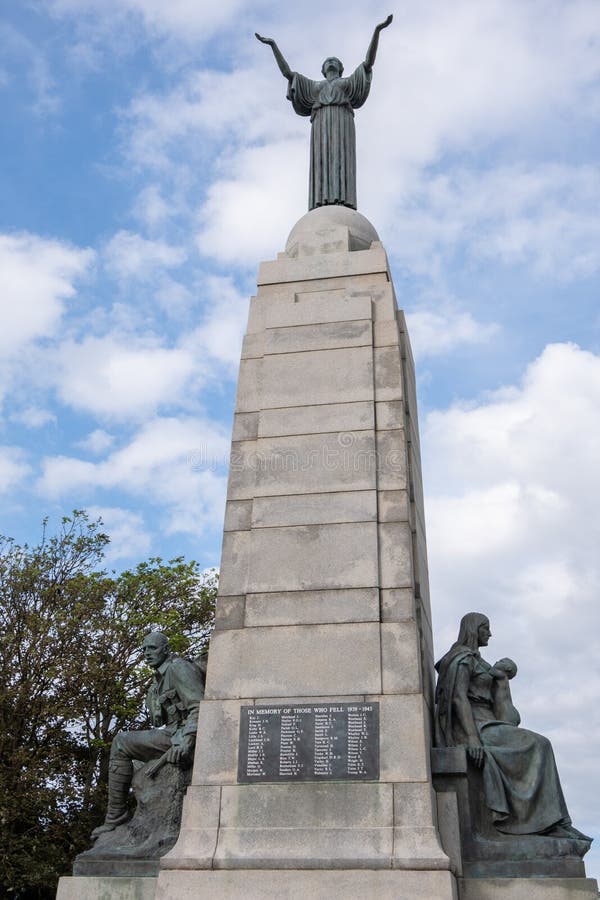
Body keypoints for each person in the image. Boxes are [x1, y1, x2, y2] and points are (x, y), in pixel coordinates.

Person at [434, 612, 590, 840]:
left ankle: (553, 822)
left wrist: (502, 681)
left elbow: (508, 716)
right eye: (485, 628)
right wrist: (472, 738)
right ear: (473, 630)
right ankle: (544, 823)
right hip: (477, 726)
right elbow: (458, 698)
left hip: (491, 722)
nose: (490, 633)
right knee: (540, 744)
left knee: (540, 744)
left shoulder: (482, 663)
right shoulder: (463, 659)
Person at [256, 15, 393, 211]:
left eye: (334, 61)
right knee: (322, 161)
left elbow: (368, 63)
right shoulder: (315, 87)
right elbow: (288, 73)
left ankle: (343, 198)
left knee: (341, 158)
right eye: (328, 61)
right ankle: (321, 200)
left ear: (340, 68)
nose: (330, 62)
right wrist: (273, 45)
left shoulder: (346, 83)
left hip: (342, 121)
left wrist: (377, 31)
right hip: (320, 124)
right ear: (323, 69)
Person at [92, 631, 205, 838]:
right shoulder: (158, 679)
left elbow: (199, 706)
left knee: (121, 742)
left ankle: (115, 817)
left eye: (152, 648)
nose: (146, 653)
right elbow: (158, 720)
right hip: (171, 732)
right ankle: (118, 817)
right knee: (126, 748)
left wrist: (187, 739)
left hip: (181, 735)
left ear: (166, 649)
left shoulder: (178, 668)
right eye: (143, 649)